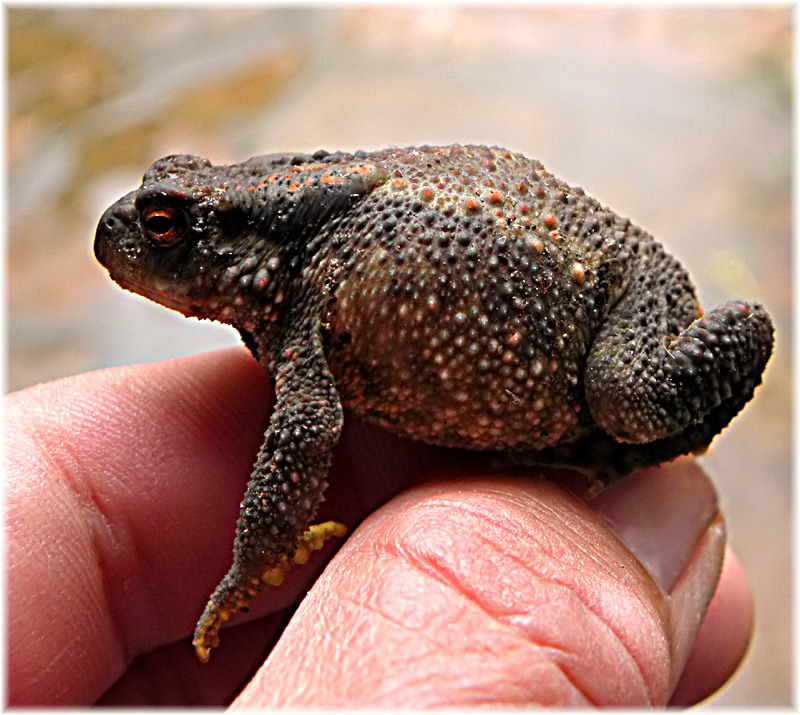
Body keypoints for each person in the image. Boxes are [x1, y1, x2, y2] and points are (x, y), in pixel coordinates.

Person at [6, 347, 753, 707]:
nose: (135, 240)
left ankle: (619, 446)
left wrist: (252, 564)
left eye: (167, 229)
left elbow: (306, 422)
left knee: (631, 396)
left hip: (608, 319)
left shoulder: (302, 277)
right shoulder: (301, 293)